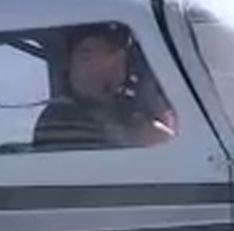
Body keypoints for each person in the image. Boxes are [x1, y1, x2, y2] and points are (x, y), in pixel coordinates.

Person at [31, 23, 177, 150]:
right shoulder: (62, 117)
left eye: (113, 53)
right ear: (69, 63)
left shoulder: (119, 111)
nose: (100, 67)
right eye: (86, 56)